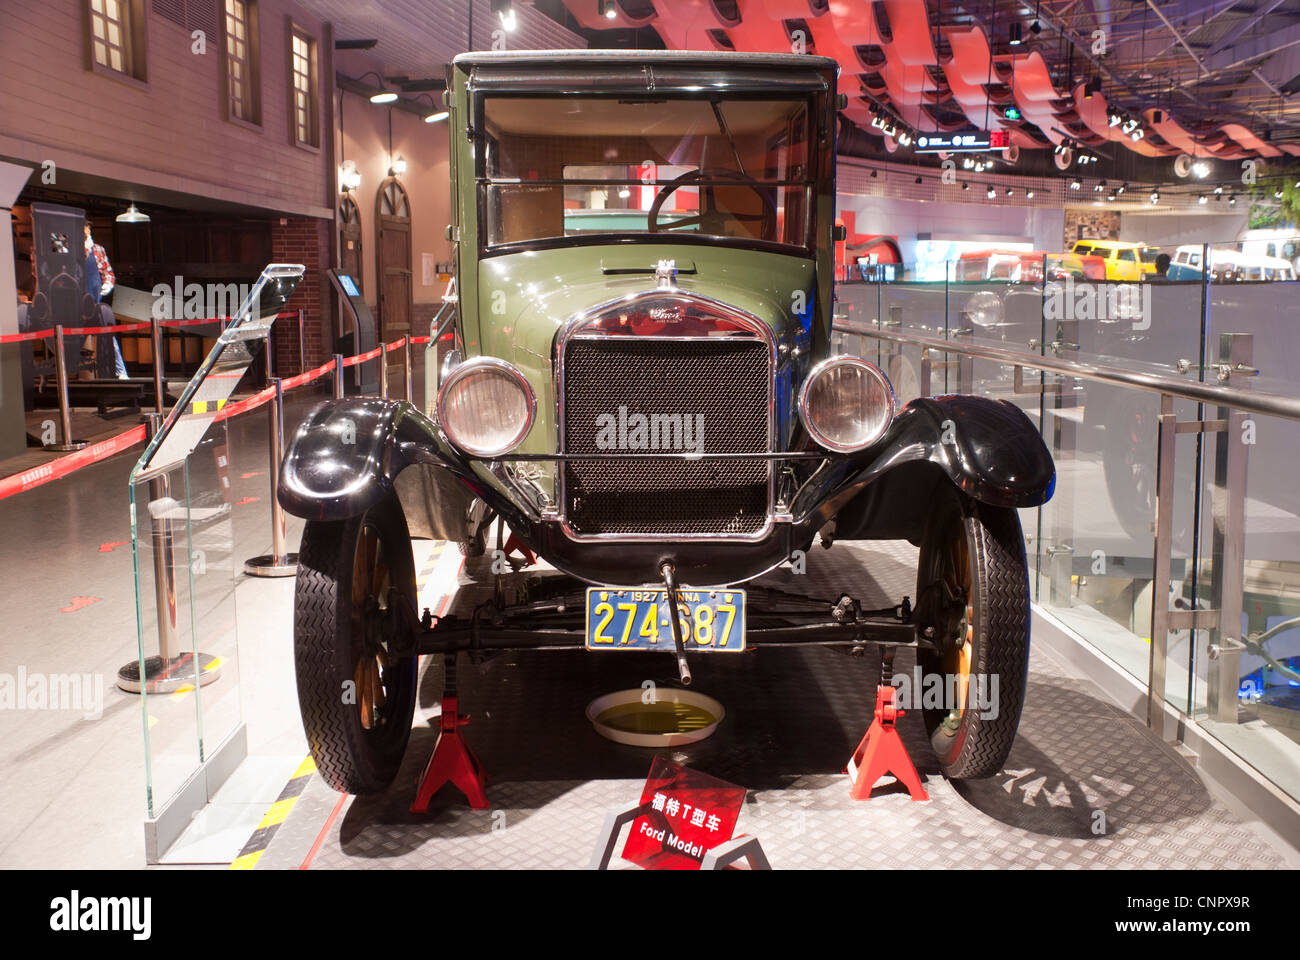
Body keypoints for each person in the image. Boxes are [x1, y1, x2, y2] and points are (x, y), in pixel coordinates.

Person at [84, 223, 128, 378]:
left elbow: (108, 272)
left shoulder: (97, 249)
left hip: (95, 301)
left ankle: (121, 372)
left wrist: (108, 284)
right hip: (75, 301)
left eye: (85, 228)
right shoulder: (69, 249)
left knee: (109, 337)